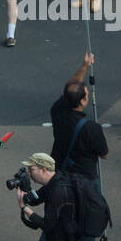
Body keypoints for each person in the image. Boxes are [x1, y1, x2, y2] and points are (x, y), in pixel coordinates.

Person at [49, 51, 109, 187]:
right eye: (87, 95)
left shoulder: (57, 110)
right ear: (82, 101)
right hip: (85, 178)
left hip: (61, 172)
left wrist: (84, 66)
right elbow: (104, 154)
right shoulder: (91, 128)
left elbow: (71, 86)